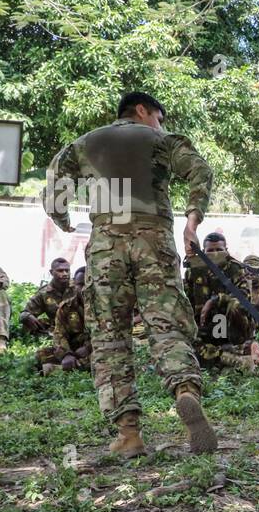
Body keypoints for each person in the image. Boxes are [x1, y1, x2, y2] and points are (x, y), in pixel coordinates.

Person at [41, 90, 218, 457]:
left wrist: (64, 219)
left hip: (107, 241)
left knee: (109, 336)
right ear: (143, 110)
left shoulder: (86, 142)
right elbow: (200, 169)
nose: (161, 124)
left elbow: (55, 183)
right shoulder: (159, 139)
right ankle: (185, 390)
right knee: (167, 324)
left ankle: (129, 434)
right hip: (154, 238)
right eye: (160, 116)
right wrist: (191, 222)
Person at [184, 232, 259, 372]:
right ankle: (229, 357)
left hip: (230, 325)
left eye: (219, 249)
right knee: (185, 352)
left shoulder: (235, 268)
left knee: (237, 305)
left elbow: (244, 296)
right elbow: (186, 300)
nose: (215, 254)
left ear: (226, 250)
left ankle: (240, 346)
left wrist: (216, 300)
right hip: (204, 326)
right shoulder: (193, 270)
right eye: (210, 251)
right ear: (203, 252)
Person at [37, 268, 92, 375]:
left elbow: (111, 333)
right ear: (74, 285)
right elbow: (59, 334)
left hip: (98, 346)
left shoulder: (104, 306)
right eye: (80, 284)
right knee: (41, 354)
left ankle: (57, 370)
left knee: (102, 357)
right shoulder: (66, 307)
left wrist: (89, 347)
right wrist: (67, 354)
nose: (84, 289)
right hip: (75, 348)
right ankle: (70, 366)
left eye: (88, 284)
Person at [19, 258, 76, 337]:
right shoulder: (44, 292)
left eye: (67, 270)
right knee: (27, 322)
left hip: (79, 324)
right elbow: (25, 312)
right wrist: (26, 316)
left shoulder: (78, 287)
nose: (65, 273)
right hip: (57, 326)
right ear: (51, 272)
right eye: (60, 271)